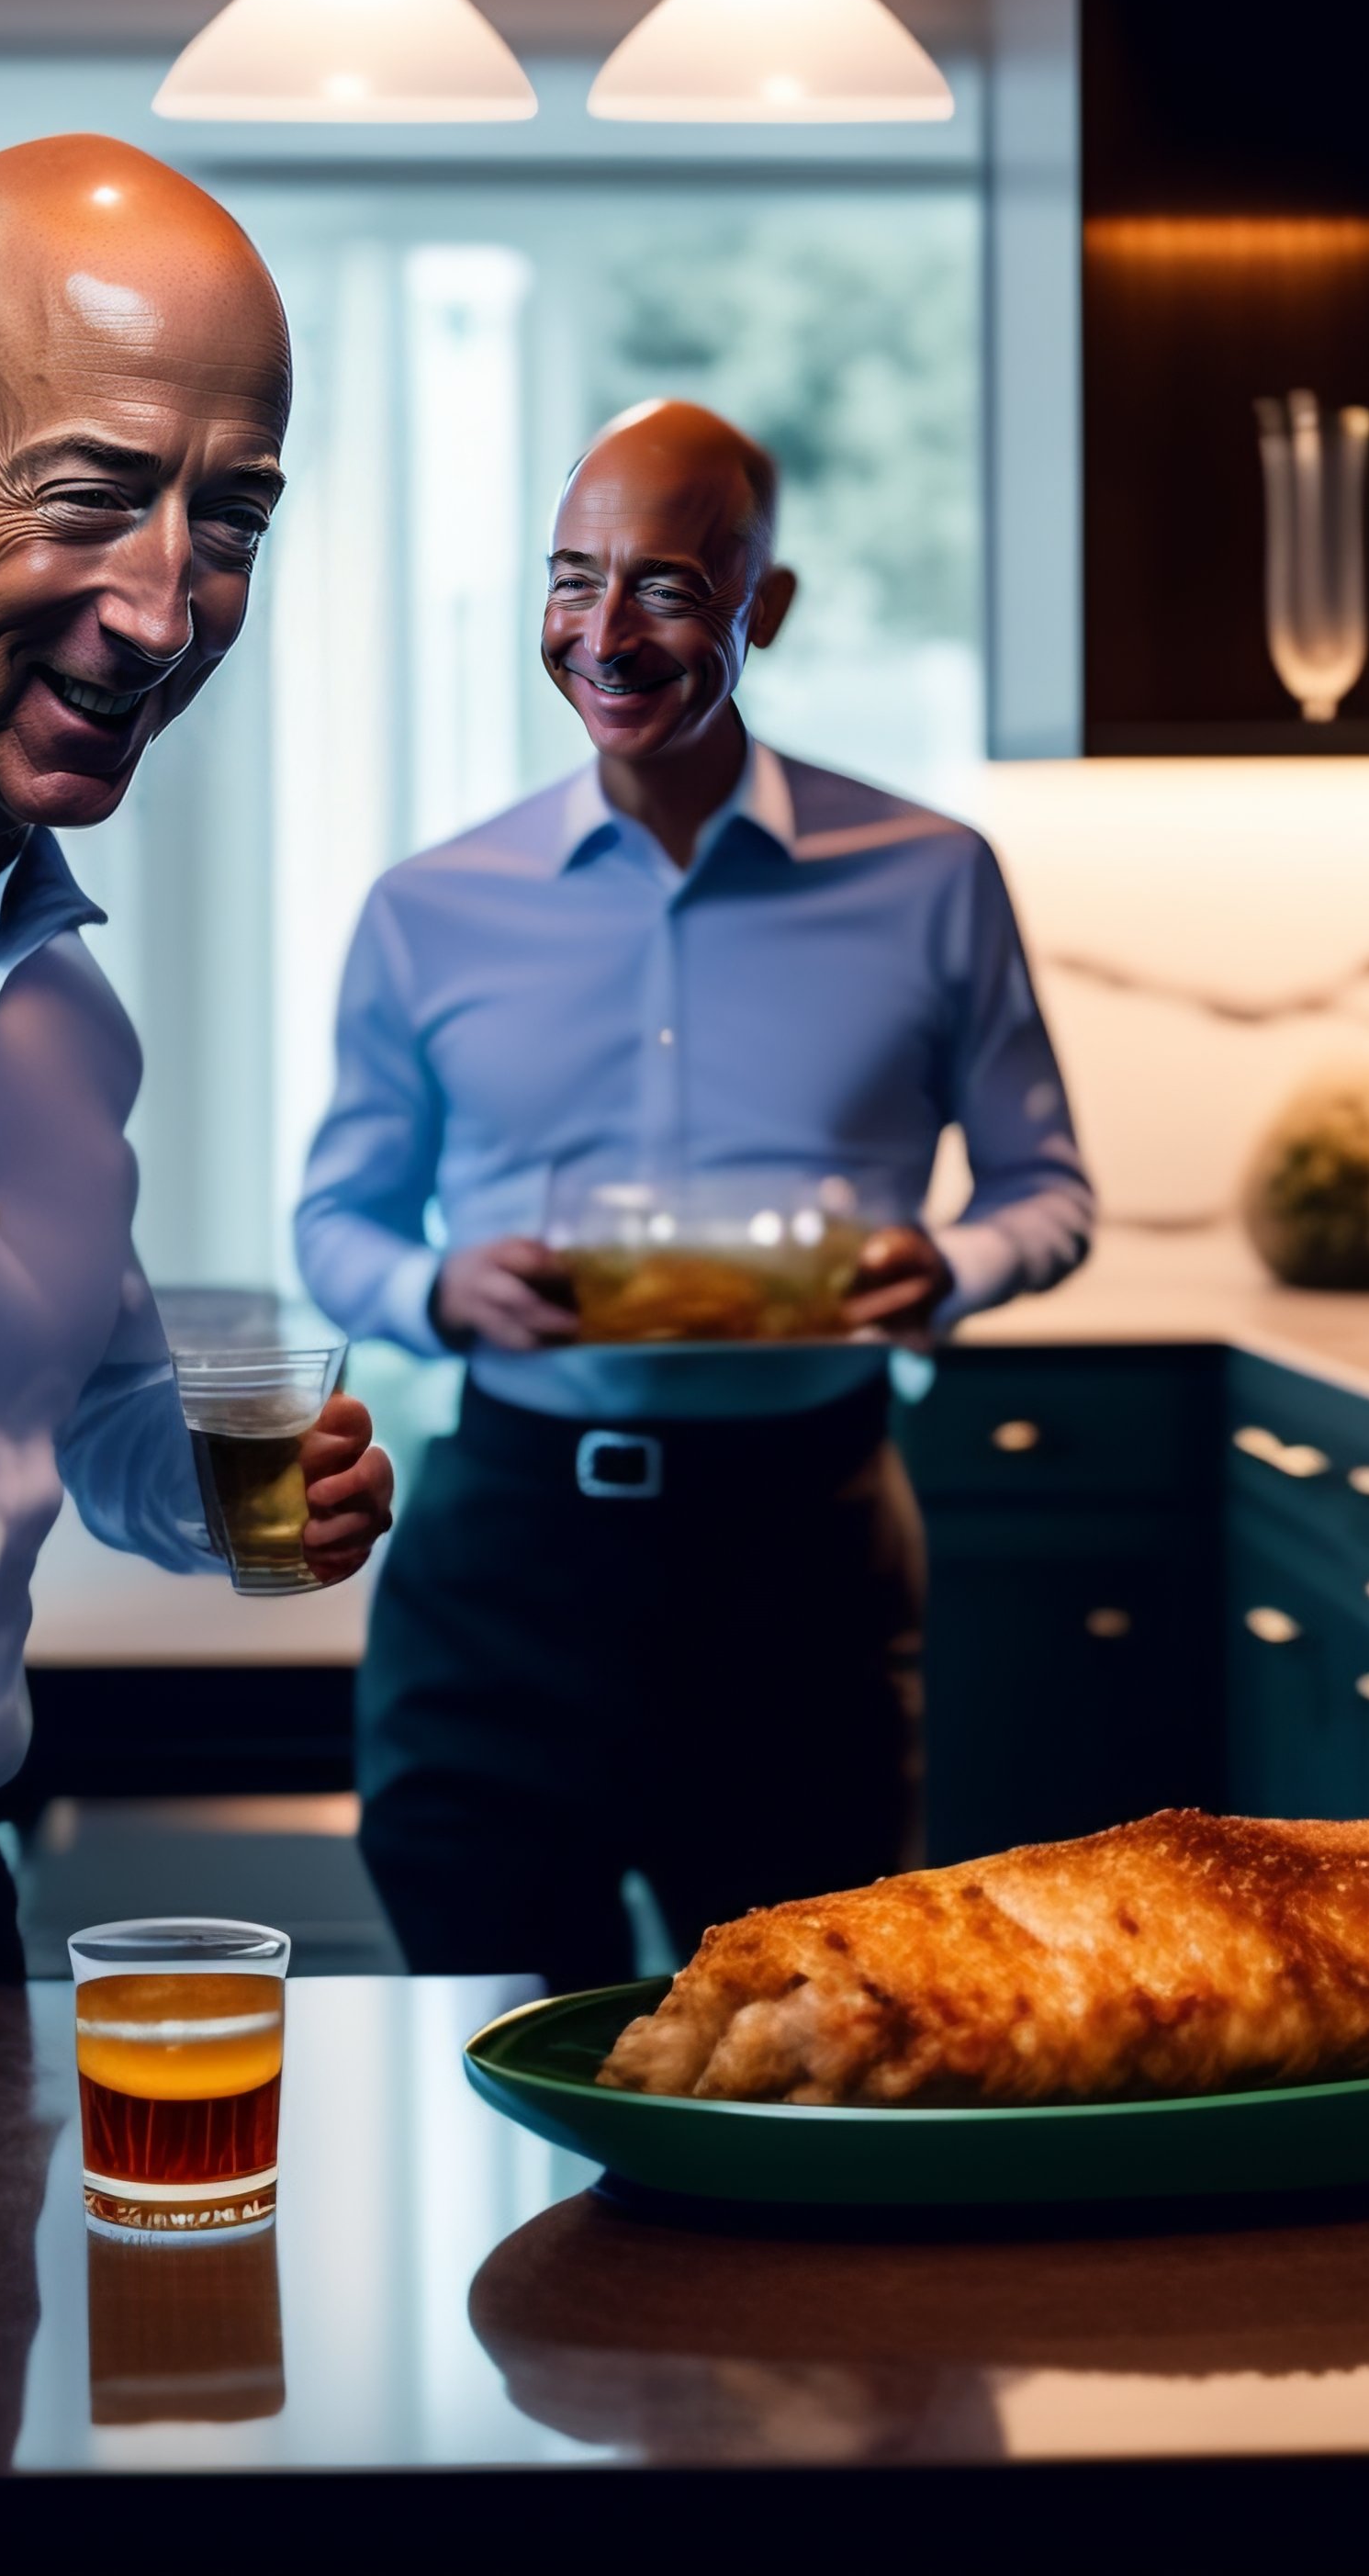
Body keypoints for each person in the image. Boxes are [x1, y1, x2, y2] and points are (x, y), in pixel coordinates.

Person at [297, 399, 1092, 1987]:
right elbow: (339, 1221)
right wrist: (440, 1292)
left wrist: (950, 1266)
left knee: (807, 2060)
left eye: (663, 584)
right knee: (488, 2042)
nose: (603, 632)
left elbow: (1047, 1188)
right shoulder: (427, 908)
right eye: (570, 577)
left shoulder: (934, 876)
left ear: (764, 608)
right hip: (509, 1556)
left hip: (805, 1554)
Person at [0, 136, 394, 1985]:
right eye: (89, 499)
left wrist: (251, 1496)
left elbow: (89, 1407)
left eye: (227, 524)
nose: (166, 612)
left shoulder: (63, 1016)